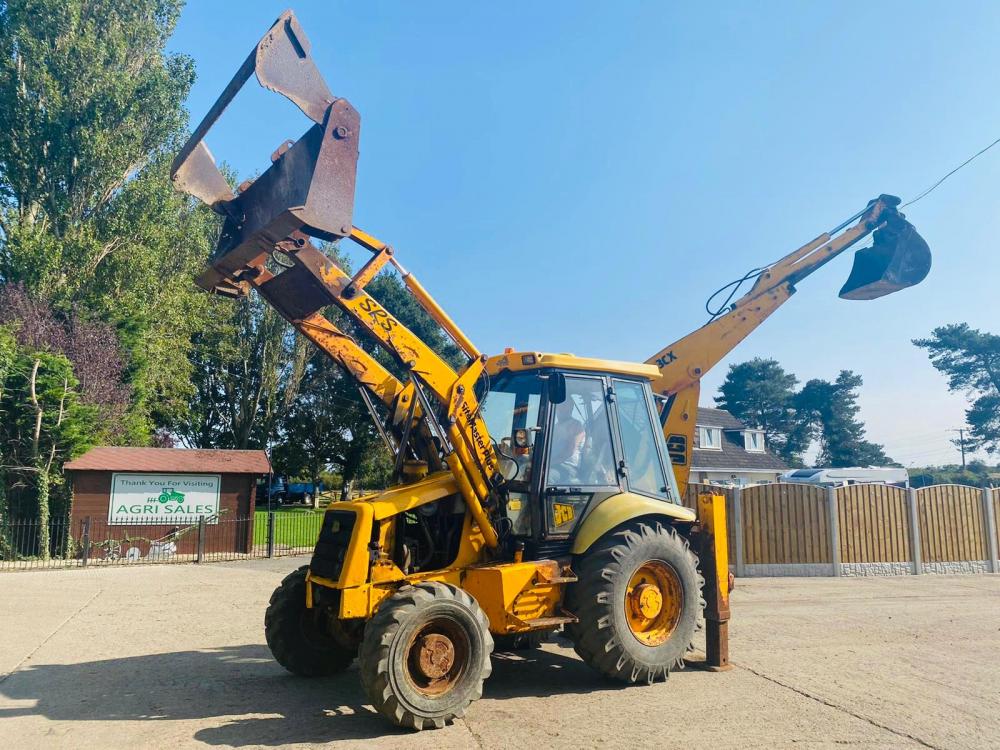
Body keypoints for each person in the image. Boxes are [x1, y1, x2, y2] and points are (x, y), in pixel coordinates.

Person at [550, 399, 586, 482]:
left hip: (567, 467)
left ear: (571, 408)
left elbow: (569, 451)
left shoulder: (575, 425)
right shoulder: (555, 427)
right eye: (560, 406)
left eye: (565, 406)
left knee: (546, 478)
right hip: (554, 464)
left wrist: (549, 463)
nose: (561, 409)